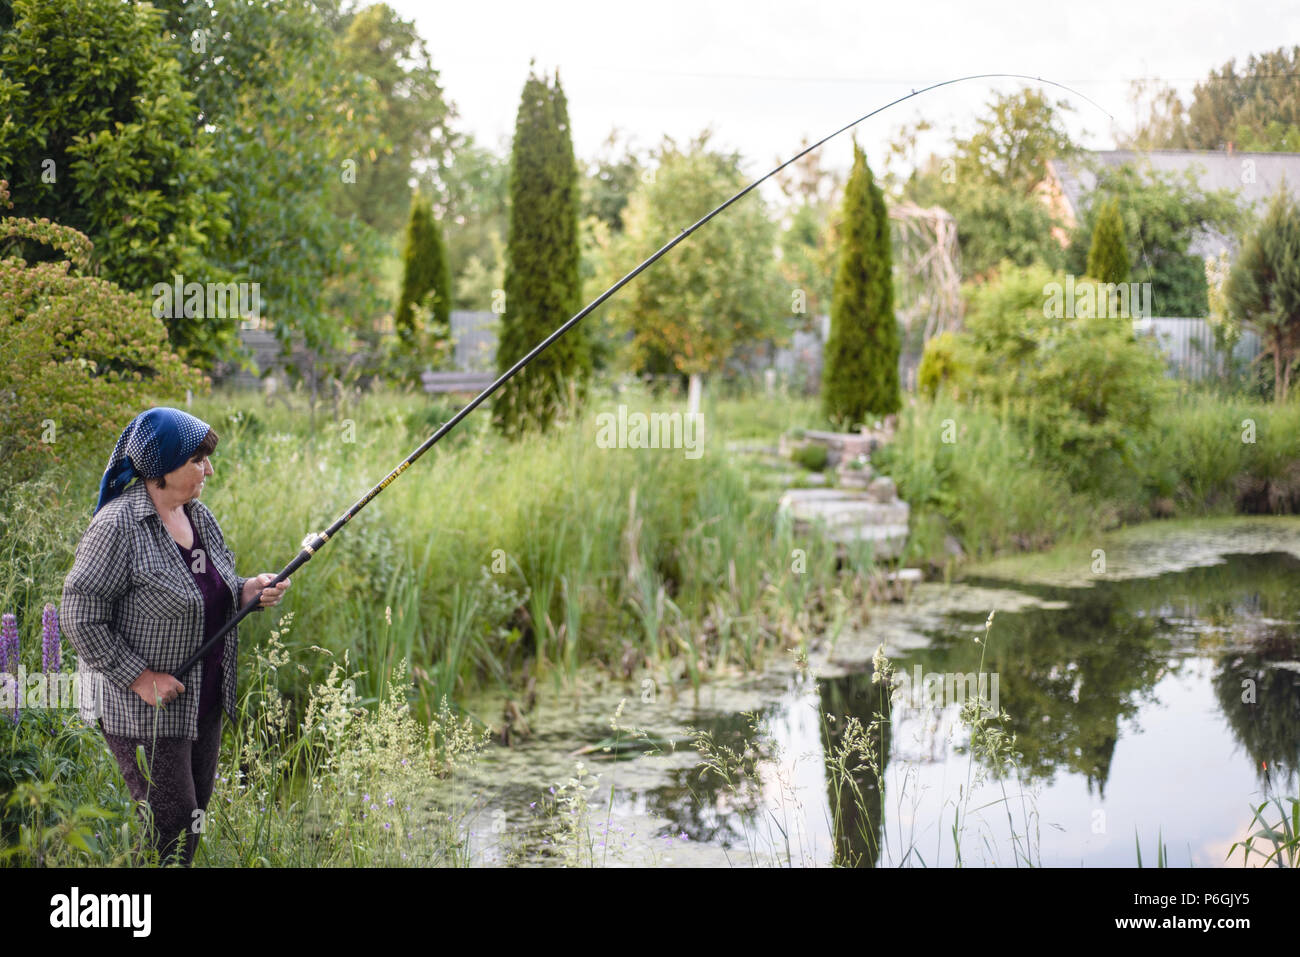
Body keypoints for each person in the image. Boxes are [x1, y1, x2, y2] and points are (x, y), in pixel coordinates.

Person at [61, 407, 290, 866]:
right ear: (162, 469)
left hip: (200, 699)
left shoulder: (197, 516)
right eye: (197, 461)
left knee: (192, 823)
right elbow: (79, 614)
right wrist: (143, 677)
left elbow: (212, 589)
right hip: (142, 709)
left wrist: (248, 591)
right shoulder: (118, 526)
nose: (209, 469)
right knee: (172, 830)